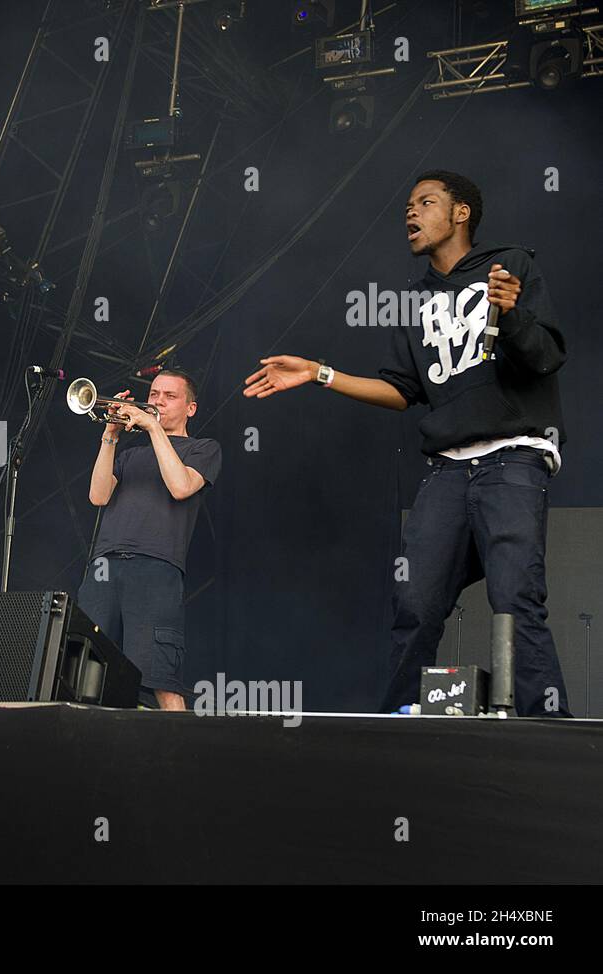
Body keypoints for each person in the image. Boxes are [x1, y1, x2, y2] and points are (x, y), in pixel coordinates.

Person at [243, 170, 570, 717]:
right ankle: (397, 725)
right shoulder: (414, 299)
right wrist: (319, 373)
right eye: (408, 207)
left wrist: (512, 316)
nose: (411, 213)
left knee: (515, 600)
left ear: (461, 212)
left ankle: (549, 730)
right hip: (446, 468)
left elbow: (546, 357)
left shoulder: (508, 264)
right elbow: (401, 389)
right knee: (415, 603)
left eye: (426, 202)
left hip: (513, 456)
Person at [78, 369, 222, 710]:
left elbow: (180, 486)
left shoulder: (204, 449)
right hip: (105, 568)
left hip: (156, 571)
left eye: (169, 396)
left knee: (161, 679)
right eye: (154, 393)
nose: (157, 401)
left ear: (191, 408)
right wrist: (110, 436)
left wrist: (154, 426)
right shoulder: (129, 456)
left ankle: (180, 757)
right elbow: (98, 496)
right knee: (86, 672)